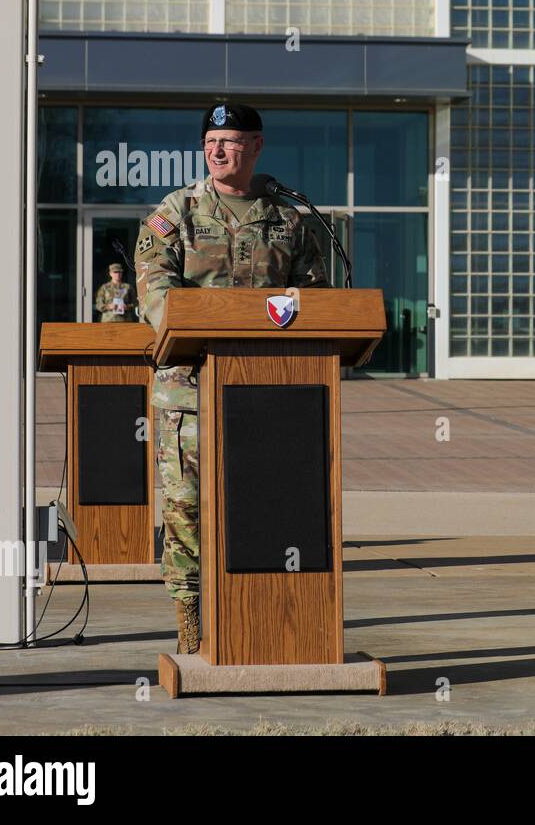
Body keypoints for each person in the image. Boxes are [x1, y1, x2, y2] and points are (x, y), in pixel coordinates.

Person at [135, 102, 330, 654]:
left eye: (231, 140)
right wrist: (205, 319)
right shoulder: (178, 212)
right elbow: (154, 292)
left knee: (269, 502)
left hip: (271, 395)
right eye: (210, 142)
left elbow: (316, 300)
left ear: (258, 146)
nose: (218, 150)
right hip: (190, 393)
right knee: (186, 508)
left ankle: (268, 615)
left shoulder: (289, 219)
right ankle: (190, 612)